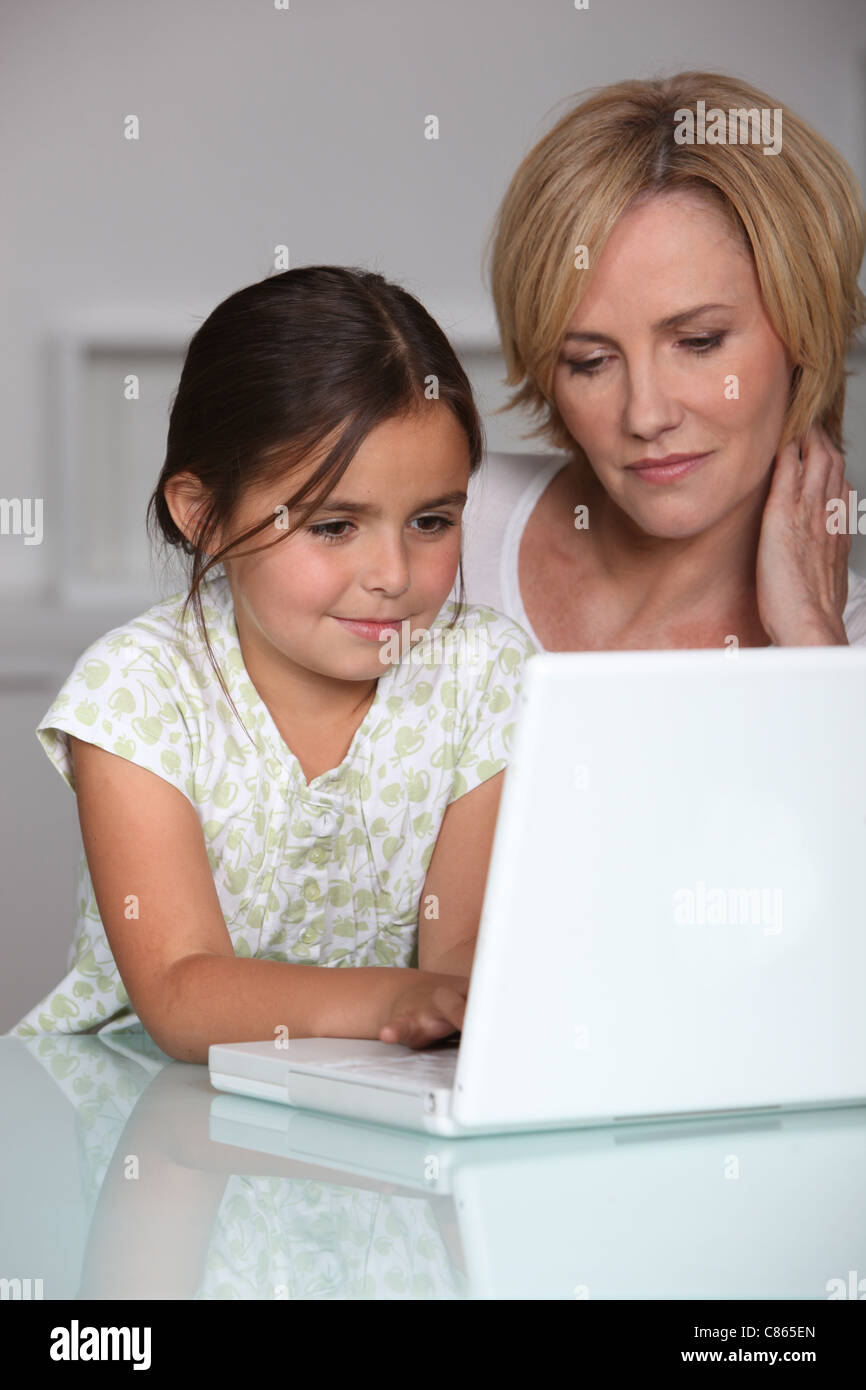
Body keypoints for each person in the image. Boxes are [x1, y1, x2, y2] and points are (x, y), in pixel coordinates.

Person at [9, 266, 536, 1062]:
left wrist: (444, 1004)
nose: (392, 572)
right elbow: (183, 994)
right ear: (202, 515)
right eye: (334, 526)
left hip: (383, 1112)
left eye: (431, 520)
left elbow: (461, 960)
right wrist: (398, 1001)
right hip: (148, 1116)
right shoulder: (137, 690)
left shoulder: (486, 673)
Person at [456, 70, 866, 650]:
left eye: (698, 342)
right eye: (591, 361)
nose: (645, 416)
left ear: (804, 331)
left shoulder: (842, 650)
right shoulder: (435, 526)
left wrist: (808, 640)